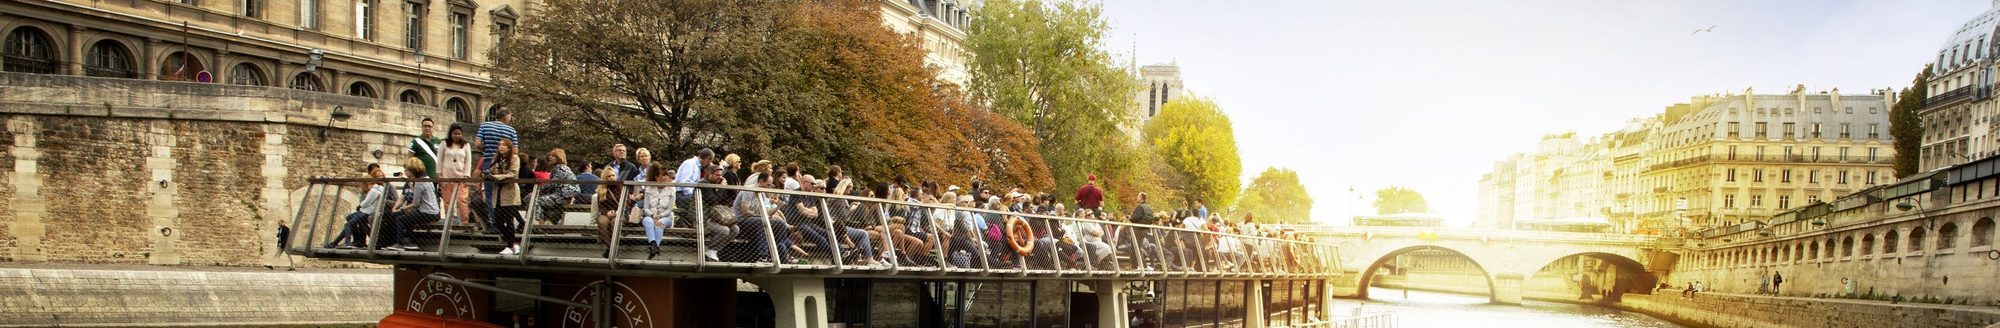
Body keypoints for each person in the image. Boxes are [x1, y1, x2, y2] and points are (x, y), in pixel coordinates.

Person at [326, 163, 389, 249]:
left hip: (366, 212)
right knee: (349, 218)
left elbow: (365, 203)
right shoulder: (375, 189)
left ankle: (346, 244)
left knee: (348, 224)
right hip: (364, 211)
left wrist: (361, 204)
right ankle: (351, 241)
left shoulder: (375, 190)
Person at [384, 157, 440, 251]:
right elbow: (417, 193)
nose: (405, 172)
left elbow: (415, 204)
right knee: (402, 216)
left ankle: (400, 243)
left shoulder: (419, 182)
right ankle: (407, 241)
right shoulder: (426, 179)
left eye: (406, 170)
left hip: (428, 213)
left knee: (400, 218)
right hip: (433, 212)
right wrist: (408, 183)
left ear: (412, 171)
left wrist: (402, 208)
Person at [487, 140, 525, 255]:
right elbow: (492, 171)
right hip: (498, 192)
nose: (501, 147)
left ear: (509, 147)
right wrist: (488, 175)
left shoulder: (514, 158)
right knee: (498, 221)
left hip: (509, 191)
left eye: (504, 145)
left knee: (509, 220)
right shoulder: (496, 158)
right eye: (500, 145)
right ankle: (513, 244)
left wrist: (498, 177)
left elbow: (513, 174)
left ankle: (510, 245)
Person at [698, 164, 738, 261]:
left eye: (721, 175)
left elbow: (726, 200)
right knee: (724, 230)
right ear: (709, 174)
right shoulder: (703, 184)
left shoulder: (718, 184)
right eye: (717, 175)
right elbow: (712, 200)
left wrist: (725, 188)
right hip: (703, 219)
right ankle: (709, 249)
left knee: (735, 229)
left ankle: (713, 250)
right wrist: (721, 188)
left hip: (716, 218)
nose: (720, 177)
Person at [534, 149, 581, 225]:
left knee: (538, 201)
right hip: (560, 195)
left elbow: (553, 184)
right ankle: (548, 222)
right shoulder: (557, 168)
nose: (550, 157)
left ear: (559, 158)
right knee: (542, 200)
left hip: (565, 196)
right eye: (550, 155)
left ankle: (541, 225)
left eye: (553, 156)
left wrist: (540, 189)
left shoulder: (561, 168)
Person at [439, 125, 474, 224]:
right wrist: (440, 175)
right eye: (455, 133)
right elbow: (439, 160)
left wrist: (466, 176)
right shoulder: (444, 143)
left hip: (461, 178)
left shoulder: (466, 145)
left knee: (462, 200)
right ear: (451, 134)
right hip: (447, 177)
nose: (457, 136)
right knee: (447, 202)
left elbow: (468, 162)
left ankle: (464, 223)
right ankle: (449, 223)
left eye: (459, 134)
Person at [640, 166, 676, 260]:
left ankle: (654, 247)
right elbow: (646, 207)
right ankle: (654, 245)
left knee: (659, 223)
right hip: (651, 215)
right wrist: (652, 215)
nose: (665, 177)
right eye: (662, 175)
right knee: (648, 221)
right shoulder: (649, 189)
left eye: (666, 175)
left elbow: (669, 209)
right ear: (656, 177)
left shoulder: (671, 190)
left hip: (666, 217)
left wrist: (660, 216)